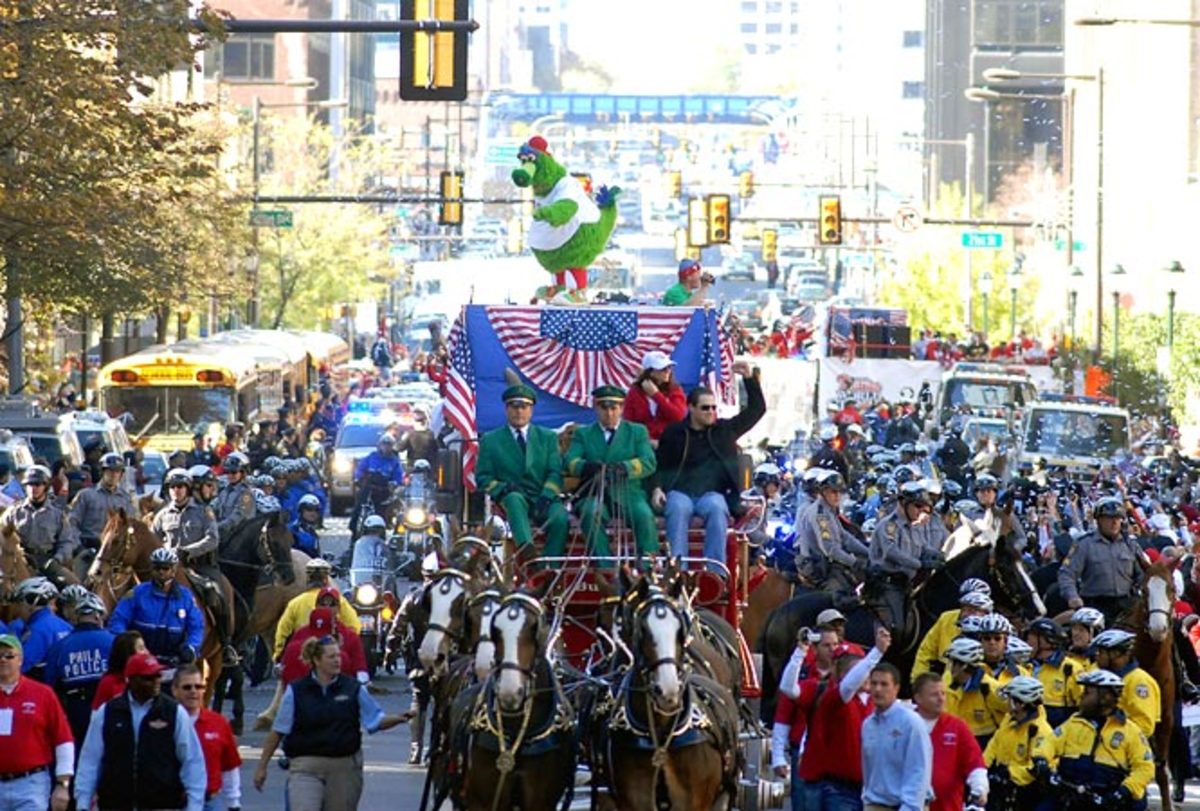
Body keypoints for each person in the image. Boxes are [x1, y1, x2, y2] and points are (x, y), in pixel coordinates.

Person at [253, 636, 414, 810]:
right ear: (316, 660)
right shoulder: (297, 690)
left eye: (338, 655)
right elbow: (278, 731)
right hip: (306, 766)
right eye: (331, 657)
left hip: (343, 767)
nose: (337, 660)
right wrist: (262, 766)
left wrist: (399, 718)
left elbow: (375, 720)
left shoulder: (353, 688)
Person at [654, 362, 765, 564]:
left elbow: (757, 410)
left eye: (714, 407)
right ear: (691, 408)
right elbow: (660, 465)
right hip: (680, 493)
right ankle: (678, 570)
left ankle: (716, 572)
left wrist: (749, 378)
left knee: (717, 507)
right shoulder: (674, 432)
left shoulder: (724, 430)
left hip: (712, 494)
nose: (711, 412)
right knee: (677, 508)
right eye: (705, 408)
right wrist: (657, 488)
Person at [75, 652, 206, 811]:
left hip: (163, 805)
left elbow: (192, 761)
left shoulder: (174, 713)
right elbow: (90, 760)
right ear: (131, 680)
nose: (156, 681)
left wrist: (194, 805)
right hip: (116, 805)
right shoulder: (108, 712)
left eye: (158, 675)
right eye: (148, 678)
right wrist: (83, 802)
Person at [475, 384, 569, 561]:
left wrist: (547, 496)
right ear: (506, 409)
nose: (519, 412)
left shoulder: (547, 437)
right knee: (514, 499)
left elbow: (555, 472)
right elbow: (483, 477)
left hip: (542, 497)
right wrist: (502, 488)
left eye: (524, 407)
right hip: (512, 499)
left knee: (560, 518)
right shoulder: (491, 440)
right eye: (514, 407)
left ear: (531, 410)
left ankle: (550, 566)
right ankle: (527, 552)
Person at [150, 469, 235, 664]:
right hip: (168, 569)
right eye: (172, 487)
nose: (176, 491)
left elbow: (212, 539)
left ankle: (226, 644)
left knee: (217, 595)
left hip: (200, 567)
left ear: (188, 489)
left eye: (180, 487)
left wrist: (188, 551)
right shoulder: (162, 515)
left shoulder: (204, 512)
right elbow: (153, 541)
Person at [565, 386, 658, 560]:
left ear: (621, 408)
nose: (609, 413)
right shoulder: (583, 434)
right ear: (596, 408)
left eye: (614, 408)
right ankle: (604, 565)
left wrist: (625, 467)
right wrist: (586, 467)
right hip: (594, 490)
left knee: (644, 515)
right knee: (590, 512)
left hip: (628, 492)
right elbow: (570, 461)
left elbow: (649, 462)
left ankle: (648, 565)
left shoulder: (637, 431)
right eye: (604, 408)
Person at [807, 627, 890, 810]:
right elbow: (849, 685)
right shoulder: (834, 699)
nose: (866, 676)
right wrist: (877, 652)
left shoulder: (876, 704)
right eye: (859, 672)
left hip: (872, 791)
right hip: (840, 790)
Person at [1048, 669, 1154, 809]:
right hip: (1072, 794)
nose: (1081, 696)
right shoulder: (1073, 723)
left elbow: (1145, 769)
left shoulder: (1130, 731)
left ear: (1105, 698)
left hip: (1107, 799)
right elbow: (1047, 744)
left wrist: (1122, 792)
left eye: (1087, 692)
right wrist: (1043, 763)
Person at [0, 633, 75, 811]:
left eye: (9, 655)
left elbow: (63, 739)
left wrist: (62, 785)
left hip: (31, 784)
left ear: (20, 660)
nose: (3, 660)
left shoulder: (43, 694)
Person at [868, 480, 948, 633]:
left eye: (923, 507)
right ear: (903, 503)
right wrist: (919, 564)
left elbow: (925, 547)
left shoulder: (914, 527)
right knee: (897, 627)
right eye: (917, 506)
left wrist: (941, 557)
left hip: (907, 584)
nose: (921, 511)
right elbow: (891, 551)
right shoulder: (889, 525)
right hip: (888, 585)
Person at [771, 628, 837, 811]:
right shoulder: (801, 674)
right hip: (803, 753)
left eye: (835, 644)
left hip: (833, 754)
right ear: (815, 648)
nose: (832, 649)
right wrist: (778, 756)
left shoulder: (844, 677)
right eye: (826, 645)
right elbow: (783, 715)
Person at [108, 547, 204, 667]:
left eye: (165, 568)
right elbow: (118, 619)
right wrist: (126, 645)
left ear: (173, 570)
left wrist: (191, 647)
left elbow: (196, 627)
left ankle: (224, 644)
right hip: (141, 659)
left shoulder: (186, 596)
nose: (161, 572)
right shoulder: (137, 593)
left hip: (174, 660)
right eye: (157, 568)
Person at [1058, 496, 1146, 624]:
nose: (1114, 522)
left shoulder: (1131, 545)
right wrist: (1072, 597)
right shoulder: (1084, 544)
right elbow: (1067, 573)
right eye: (1109, 518)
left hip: (1126, 607)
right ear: (1098, 520)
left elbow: (1143, 574)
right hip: (1095, 607)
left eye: (1118, 518)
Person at [44, 593, 113, 752]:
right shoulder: (114, 641)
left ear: (77, 617)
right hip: (109, 707)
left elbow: (49, 684)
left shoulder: (60, 646)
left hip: (74, 710)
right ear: (98, 616)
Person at [861, 661, 933, 811]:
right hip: (875, 804)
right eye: (874, 684)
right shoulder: (868, 725)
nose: (878, 689)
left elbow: (919, 770)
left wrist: (910, 807)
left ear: (896, 688)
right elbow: (868, 769)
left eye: (884, 684)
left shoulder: (911, 723)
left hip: (905, 805)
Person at [912, 672, 987, 811]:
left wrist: (980, 788)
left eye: (943, 693)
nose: (941, 699)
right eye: (934, 695)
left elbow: (974, 762)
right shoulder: (906, 725)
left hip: (948, 806)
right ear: (918, 698)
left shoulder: (957, 726)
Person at [171, 664, 241, 811]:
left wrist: (233, 802)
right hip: (174, 802)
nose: (193, 691)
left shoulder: (219, 723)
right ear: (175, 690)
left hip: (210, 802)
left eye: (199, 687)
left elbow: (229, 766)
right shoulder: (165, 722)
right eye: (187, 687)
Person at [982, 676, 1055, 811]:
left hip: (1023, 792)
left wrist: (1009, 774)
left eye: (1010, 698)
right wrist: (981, 767)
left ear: (1020, 704)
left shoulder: (1041, 732)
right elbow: (995, 742)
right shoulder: (1010, 719)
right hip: (1001, 785)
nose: (1006, 702)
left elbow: (1034, 769)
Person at [793, 472, 869, 594]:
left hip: (827, 562)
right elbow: (830, 549)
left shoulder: (830, 510)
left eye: (839, 492)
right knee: (843, 597)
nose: (837, 496)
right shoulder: (820, 515)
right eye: (833, 492)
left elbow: (845, 537)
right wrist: (854, 562)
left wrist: (868, 552)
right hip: (817, 566)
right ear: (823, 492)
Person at [272, 558, 361, 661]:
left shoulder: (295, 603)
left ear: (308, 578)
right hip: (330, 655)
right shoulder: (339, 601)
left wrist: (278, 655)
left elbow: (282, 632)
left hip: (303, 656)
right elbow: (355, 627)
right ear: (326, 579)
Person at [0, 465, 78, 577]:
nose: (33, 489)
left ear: (45, 487)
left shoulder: (57, 514)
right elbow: (2, 534)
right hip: (20, 562)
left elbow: (66, 542)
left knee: (74, 585)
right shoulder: (13, 512)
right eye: (30, 485)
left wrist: (58, 559)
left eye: (37, 484)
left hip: (48, 562)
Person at [911, 580, 993, 681]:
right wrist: (917, 680)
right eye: (965, 608)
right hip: (940, 678)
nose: (967, 614)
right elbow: (926, 652)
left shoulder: (992, 629)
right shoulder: (946, 618)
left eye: (974, 609)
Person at [1091, 628, 1161, 740]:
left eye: (1101, 652)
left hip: (1123, 744)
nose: (1097, 655)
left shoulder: (1139, 681)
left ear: (1116, 654)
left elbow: (1144, 726)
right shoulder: (1098, 672)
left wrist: (1112, 734)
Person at [280, 602, 369, 686]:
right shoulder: (342, 657)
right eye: (323, 604)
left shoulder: (292, 647)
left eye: (332, 604)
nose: (327, 607)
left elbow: (282, 680)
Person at [942, 637, 1008, 750]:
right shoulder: (947, 679)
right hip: (954, 739)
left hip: (983, 744)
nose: (949, 667)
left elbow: (1014, 711)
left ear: (964, 666)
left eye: (953, 663)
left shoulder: (989, 687)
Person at [69, 452, 136, 551]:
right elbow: (71, 524)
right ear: (102, 472)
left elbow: (130, 526)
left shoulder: (125, 499)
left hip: (114, 550)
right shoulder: (86, 495)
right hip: (87, 546)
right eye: (110, 471)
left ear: (121, 475)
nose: (113, 475)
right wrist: (79, 547)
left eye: (117, 471)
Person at [11, 577, 72, 680]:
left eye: (19, 603)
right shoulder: (66, 625)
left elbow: (20, 666)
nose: (17, 609)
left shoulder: (37, 631)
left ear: (31, 604)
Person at [1025, 618, 1081, 726]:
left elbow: (1083, 707)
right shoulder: (1026, 666)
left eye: (1031, 637)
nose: (1028, 642)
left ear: (1045, 640)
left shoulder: (1071, 668)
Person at [622, 351, 687, 444]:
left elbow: (678, 416)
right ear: (650, 372)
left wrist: (656, 395)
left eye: (669, 367)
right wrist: (646, 440)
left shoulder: (675, 390)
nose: (667, 371)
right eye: (662, 369)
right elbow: (629, 421)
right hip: (642, 442)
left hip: (670, 441)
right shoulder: (635, 393)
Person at [351, 434, 405, 535]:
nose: (386, 447)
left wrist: (395, 483)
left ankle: (381, 532)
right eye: (384, 444)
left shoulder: (394, 461)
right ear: (379, 445)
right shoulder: (372, 457)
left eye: (389, 445)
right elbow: (360, 468)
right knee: (359, 505)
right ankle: (354, 528)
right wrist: (358, 477)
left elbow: (398, 476)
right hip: (369, 487)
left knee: (382, 511)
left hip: (383, 490)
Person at [91, 630, 146, 709]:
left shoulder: (149, 679)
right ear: (128, 653)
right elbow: (97, 712)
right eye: (141, 648)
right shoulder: (108, 682)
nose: (147, 652)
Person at [211, 451, 256, 540]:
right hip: (223, 534)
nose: (230, 475)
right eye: (227, 472)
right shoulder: (224, 491)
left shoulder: (246, 494)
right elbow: (214, 507)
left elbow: (238, 518)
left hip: (239, 537)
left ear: (243, 473)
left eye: (234, 472)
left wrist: (217, 526)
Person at [396, 408, 439, 472]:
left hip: (413, 467)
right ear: (425, 421)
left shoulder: (410, 434)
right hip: (428, 468)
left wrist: (393, 448)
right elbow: (436, 450)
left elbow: (399, 448)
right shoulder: (431, 434)